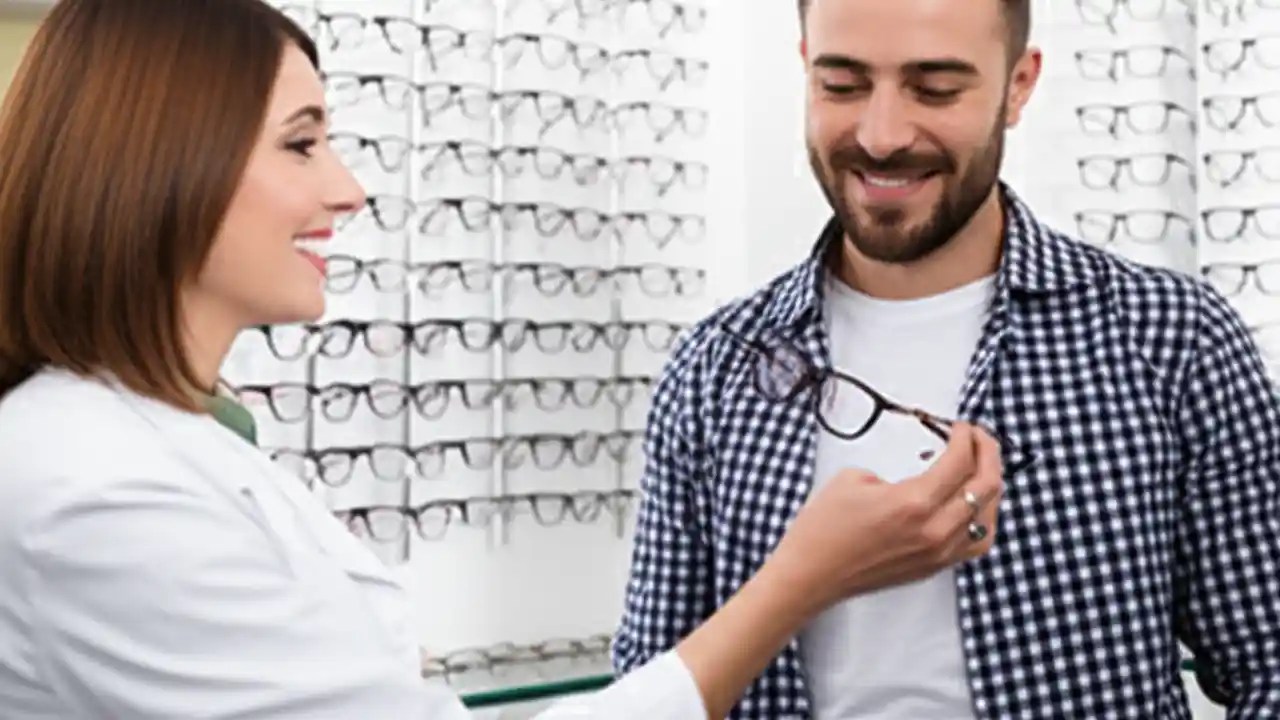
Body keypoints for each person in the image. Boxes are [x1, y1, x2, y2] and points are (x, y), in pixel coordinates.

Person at [0, 1, 1009, 718]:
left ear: (1018, 87)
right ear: (159, 162)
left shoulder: (184, 442)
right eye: (302, 144)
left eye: (934, 85)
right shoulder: (90, 488)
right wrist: (797, 582)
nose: (349, 190)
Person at [613, 0, 1280, 718]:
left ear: (1018, 86)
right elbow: (653, 691)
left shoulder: (1172, 340)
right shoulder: (713, 371)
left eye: (935, 89)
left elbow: (1270, 666)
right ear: (805, 69)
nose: (883, 135)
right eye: (842, 86)